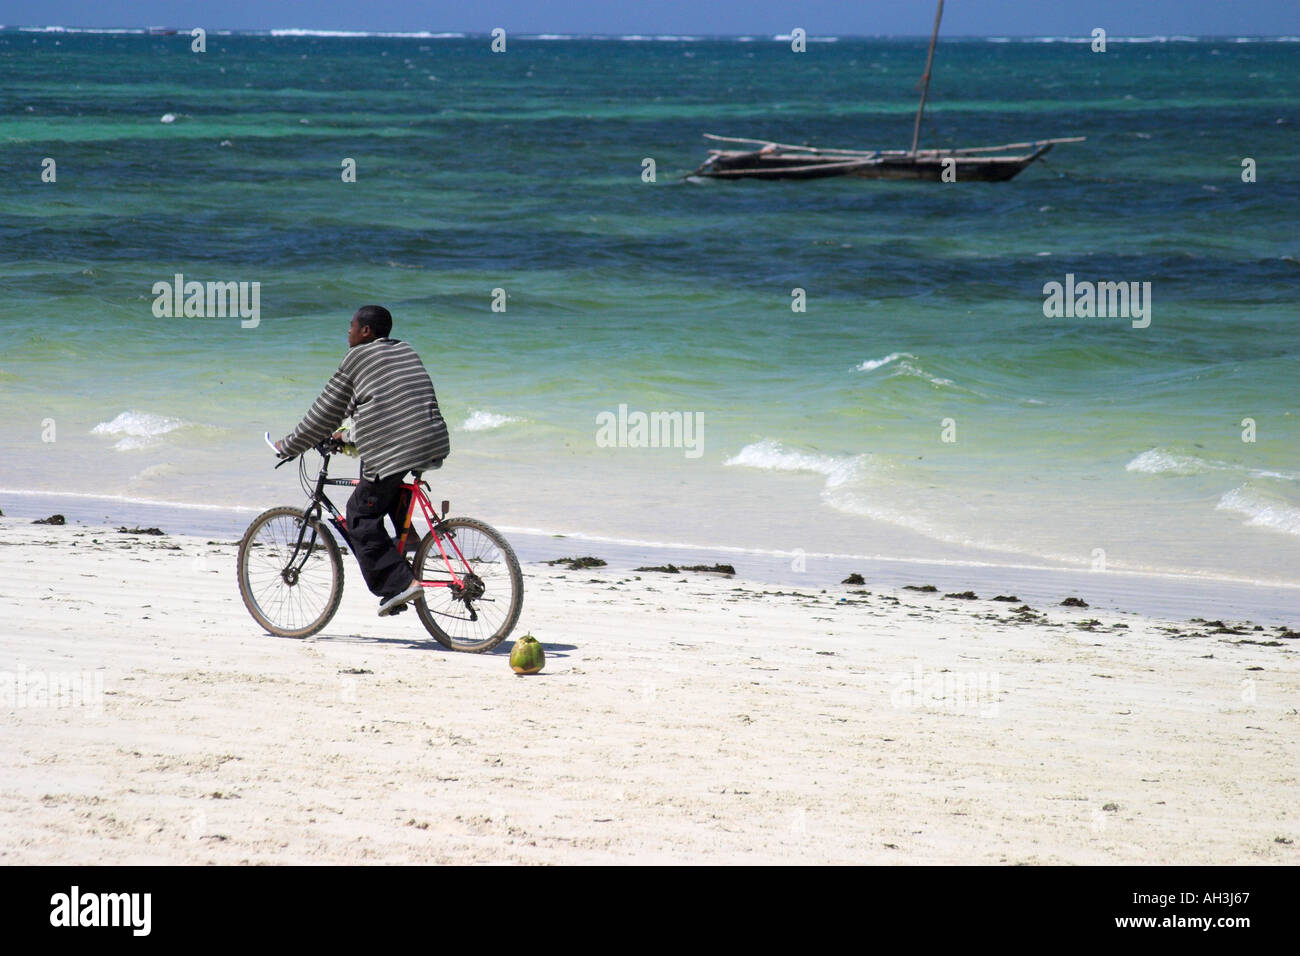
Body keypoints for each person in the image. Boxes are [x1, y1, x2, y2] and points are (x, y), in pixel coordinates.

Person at [274, 305, 450, 617]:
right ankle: (406, 540)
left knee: (358, 515)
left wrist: (290, 444)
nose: (348, 332)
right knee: (384, 486)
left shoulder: (356, 359)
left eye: (351, 326)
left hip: (395, 445)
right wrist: (347, 438)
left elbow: (324, 413)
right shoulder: (405, 349)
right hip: (433, 438)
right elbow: (390, 408)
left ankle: (399, 583)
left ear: (365, 331)